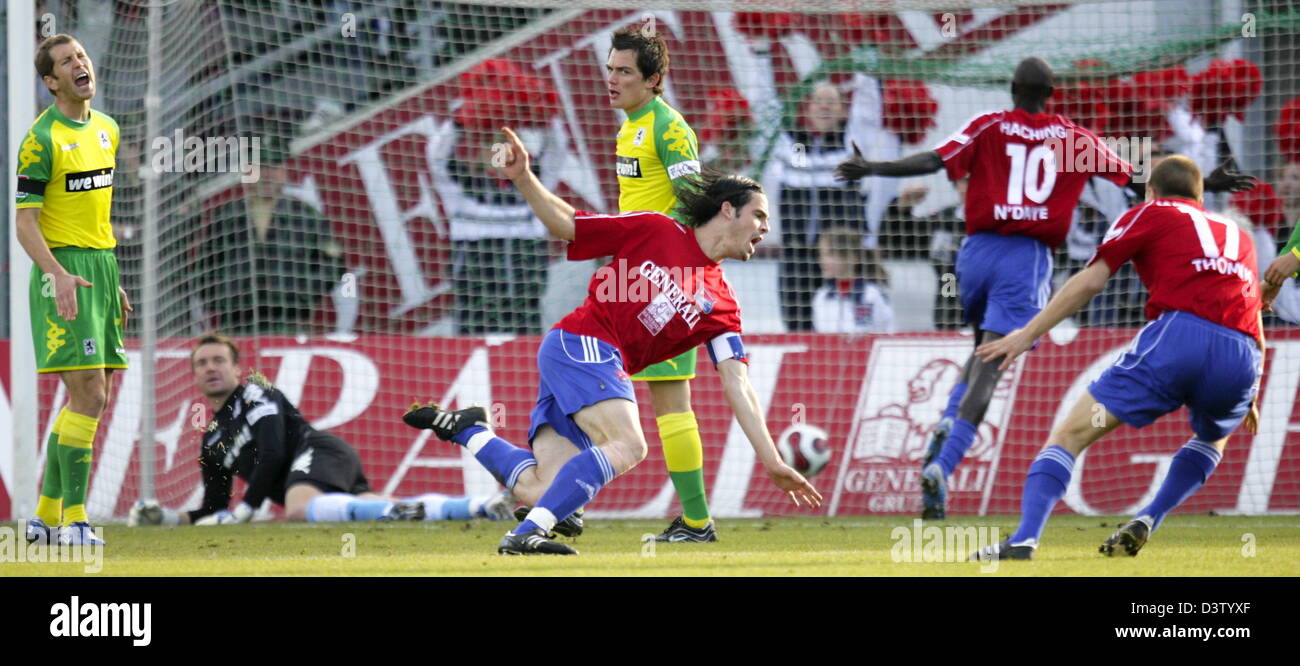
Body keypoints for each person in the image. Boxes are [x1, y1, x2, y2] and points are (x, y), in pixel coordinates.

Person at [834, 56, 1255, 519]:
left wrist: (872, 167)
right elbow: (1142, 182)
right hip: (1027, 256)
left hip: (974, 252)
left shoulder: (988, 124)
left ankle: (947, 421)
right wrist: (1206, 182)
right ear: (1052, 94)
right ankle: (944, 464)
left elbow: (934, 160)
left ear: (1011, 89)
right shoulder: (1074, 139)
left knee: (980, 346)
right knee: (995, 359)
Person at [404, 127, 822, 555]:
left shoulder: (723, 305)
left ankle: (469, 431)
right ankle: (527, 534)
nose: (767, 228)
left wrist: (772, 460)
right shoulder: (657, 230)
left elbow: (739, 385)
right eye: (760, 216)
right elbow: (570, 226)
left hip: (589, 361)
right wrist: (524, 178)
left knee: (540, 488)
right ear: (728, 210)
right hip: (581, 342)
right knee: (629, 445)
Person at [972, 156, 1262, 559]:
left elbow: (1092, 280)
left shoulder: (1149, 212)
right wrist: (1253, 387)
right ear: (1200, 195)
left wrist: (1028, 333)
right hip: (1241, 353)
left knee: (1070, 435)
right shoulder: (1238, 232)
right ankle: (1151, 517)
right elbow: (1254, 304)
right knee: (1215, 436)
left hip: (1180, 340)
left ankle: (1023, 539)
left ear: (1151, 191)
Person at [128, 333, 513, 526]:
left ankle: (477, 504)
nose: (211, 368)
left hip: (321, 453)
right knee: (382, 508)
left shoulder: (257, 395)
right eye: (202, 363)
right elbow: (214, 506)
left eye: (218, 361)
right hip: (316, 474)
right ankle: (479, 506)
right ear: (193, 374)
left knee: (297, 509)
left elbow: (275, 451)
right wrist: (167, 518)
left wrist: (248, 508)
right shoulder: (211, 440)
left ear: (235, 368)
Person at [604, 26, 719, 542]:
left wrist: (652, 254)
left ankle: (697, 522)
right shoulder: (628, 127)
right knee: (584, 377)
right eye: (609, 68)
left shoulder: (668, 127)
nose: (612, 79)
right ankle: (559, 497)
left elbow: (695, 199)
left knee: (670, 401)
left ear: (652, 80)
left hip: (664, 280)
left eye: (624, 71)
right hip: (630, 277)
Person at [17, 35, 132, 546]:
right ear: (51, 82)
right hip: (61, 270)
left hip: (101, 269)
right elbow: (23, 222)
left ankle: (43, 516)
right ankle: (75, 520)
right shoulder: (41, 139)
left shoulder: (107, 129)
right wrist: (57, 274)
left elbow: (95, 215)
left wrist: (114, 280)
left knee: (90, 395)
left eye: (81, 56)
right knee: (90, 392)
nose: (79, 64)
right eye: (67, 62)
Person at [773, 82, 875, 333]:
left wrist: (867, 66)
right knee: (797, 327)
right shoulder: (789, 144)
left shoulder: (851, 144)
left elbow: (867, 109)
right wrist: (761, 54)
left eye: (832, 102)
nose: (824, 107)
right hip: (796, 257)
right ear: (808, 108)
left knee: (845, 327)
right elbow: (765, 104)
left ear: (843, 111)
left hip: (840, 257)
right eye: (819, 101)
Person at [812, 225, 895, 334]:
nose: (823, 261)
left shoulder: (871, 294)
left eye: (830, 255)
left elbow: (887, 330)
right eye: (821, 255)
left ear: (852, 257)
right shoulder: (822, 296)